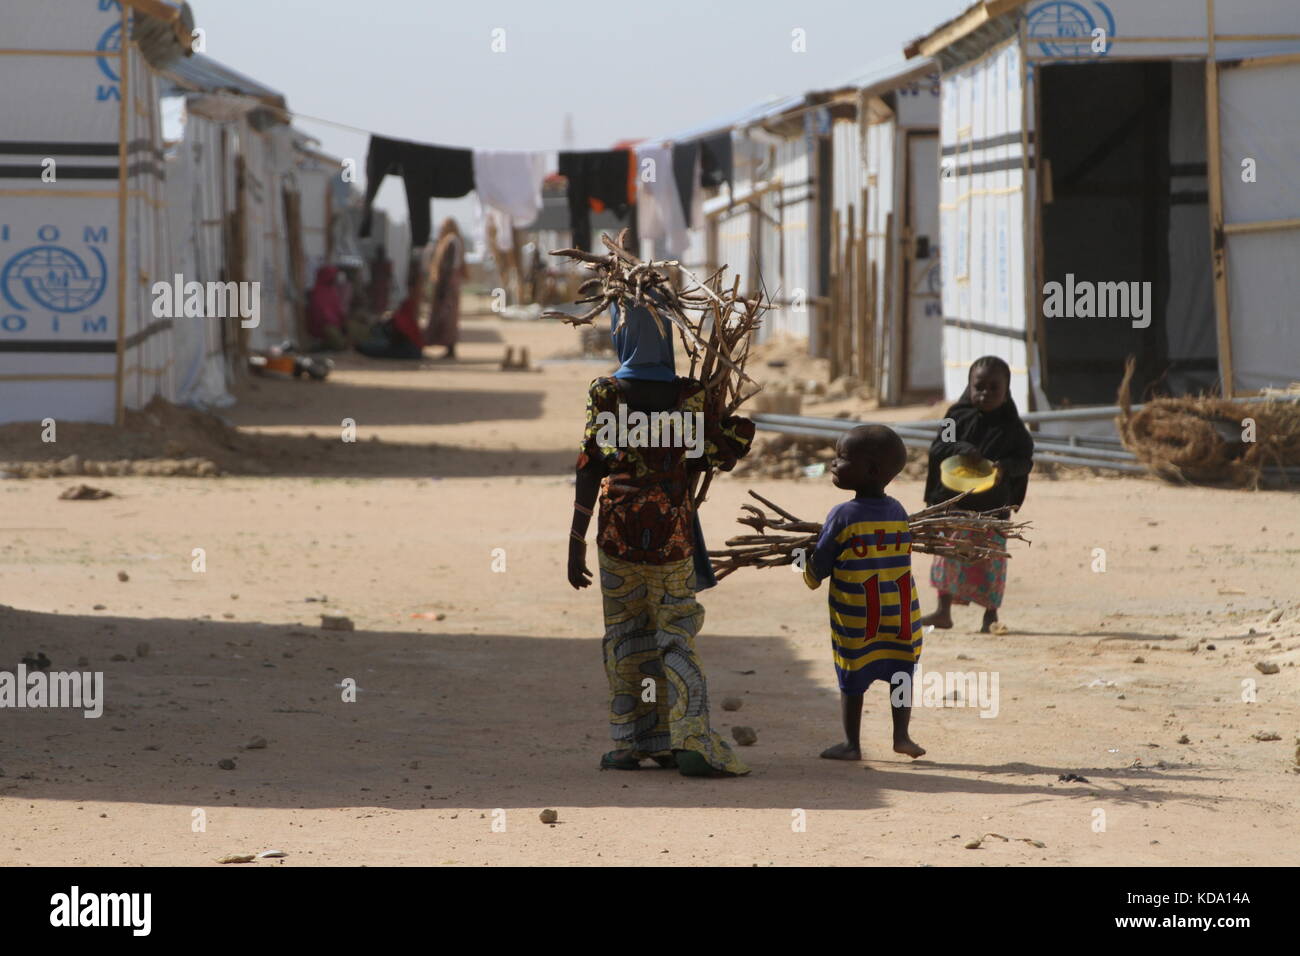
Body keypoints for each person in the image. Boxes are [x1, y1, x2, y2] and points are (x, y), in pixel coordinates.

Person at [567, 300, 754, 778]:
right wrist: (729, 422)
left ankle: (632, 743)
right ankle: (688, 738)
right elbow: (718, 452)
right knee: (676, 636)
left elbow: (592, 463)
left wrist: (575, 539)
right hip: (672, 537)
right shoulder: (691, 394)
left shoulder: (605, 392)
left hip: (615, 537)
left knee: (626, 635)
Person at [803, 425, 925, 761]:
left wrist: (802, 564)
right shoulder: (898, 511)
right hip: (900, 615)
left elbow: (819, 567)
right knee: (901, 672)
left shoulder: (843, 516)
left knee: (851, 679)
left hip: (859, 619)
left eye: (842, 458)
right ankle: (902, 736)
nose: (833, 464)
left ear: (870, 470)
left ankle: (851, 745)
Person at [919, 355, 1034, 633]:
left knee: (990, 557)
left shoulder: (1013, 428)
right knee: (949, 553)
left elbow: (1024, 461)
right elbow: (938, 448)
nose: (985, 394)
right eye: (979, 387)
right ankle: (943, 611)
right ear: (969, 386)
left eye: (994, 388)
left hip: (991, 505)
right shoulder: (955, 417)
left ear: (1007, 390)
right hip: (954, 500)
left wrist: (1004, 467)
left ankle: (990, 615)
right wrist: (960, 447)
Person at [423, 218, 467, 359]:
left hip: (448, 284)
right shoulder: (455, 241)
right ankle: (448, 346)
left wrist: (444, 286)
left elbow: (449, 265)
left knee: (447, 317)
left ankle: (449, 347)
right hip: (451, 283)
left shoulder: (451, 241)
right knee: (449, 316)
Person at [305, 266, 347, 351]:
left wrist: (342, 319)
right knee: (338, 342)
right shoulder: (318, 292)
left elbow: (337, 308)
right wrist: (332, 320)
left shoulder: (332, 291)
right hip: (325, 326)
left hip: (336, 324)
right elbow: (320, 313)